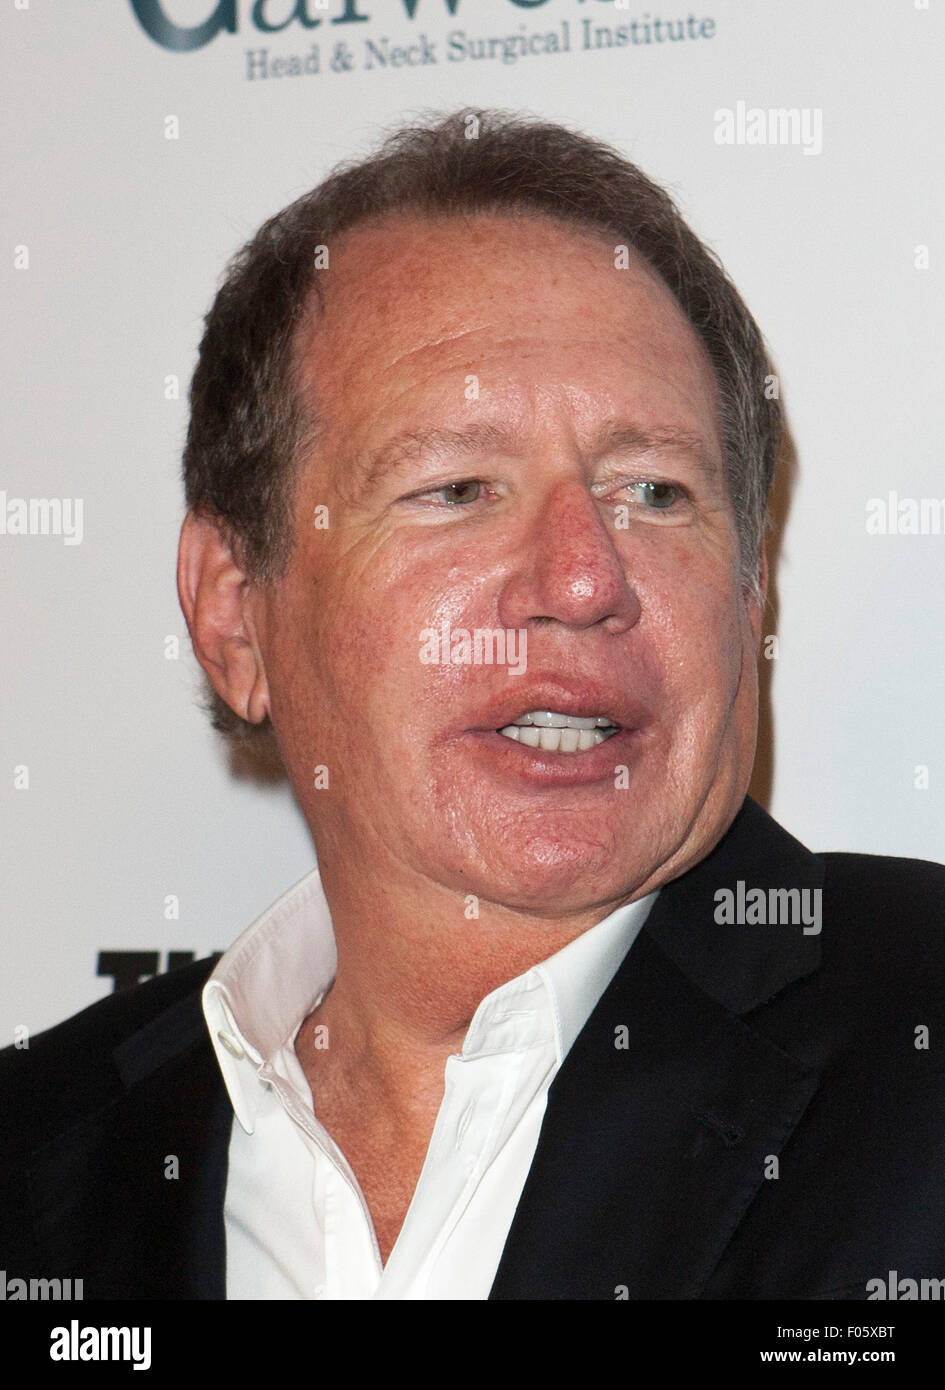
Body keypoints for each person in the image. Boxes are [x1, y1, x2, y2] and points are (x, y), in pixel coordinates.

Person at [3, 109, 944, 1302]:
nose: (586, 578)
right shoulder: (39, 1151)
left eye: (655, 489)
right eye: (457, 489)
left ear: (751, 582)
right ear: (237, 615)